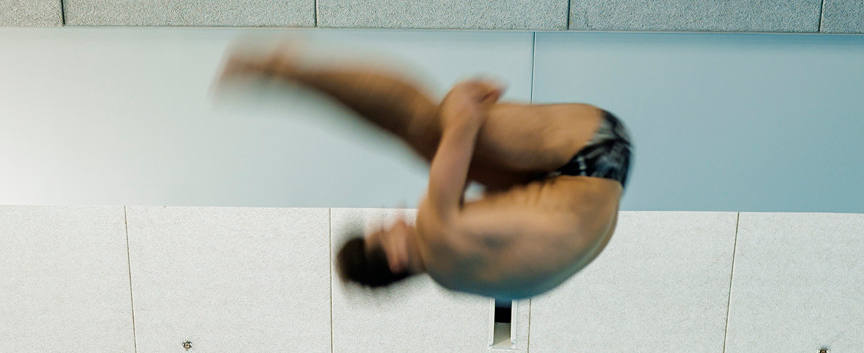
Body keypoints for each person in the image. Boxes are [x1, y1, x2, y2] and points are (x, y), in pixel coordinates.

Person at [220, 45, 631, 300]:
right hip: (587, 148)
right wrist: (459, 100)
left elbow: (515, 219)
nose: (396, 217)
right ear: (397, 257)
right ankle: (287, 71)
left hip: (605, 183)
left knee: (441, 149)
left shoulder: (452, 279)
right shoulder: (435, 230)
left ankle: (289, 74)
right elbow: (463, 115)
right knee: (424, 125)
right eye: (386, 230)